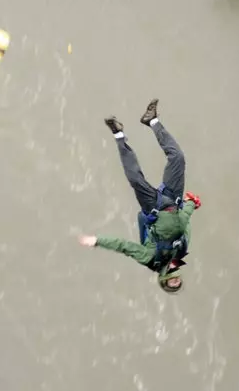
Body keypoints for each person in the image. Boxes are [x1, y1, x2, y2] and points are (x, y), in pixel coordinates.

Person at [78, 99, 202, 294]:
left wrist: (97, 241)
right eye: (178, 280)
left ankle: (118, 134)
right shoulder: (181, 252)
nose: (175, 277)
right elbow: (184, 223)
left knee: (135, 178)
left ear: (163, 278)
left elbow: (125, 246)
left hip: (153, 207)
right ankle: (152, 120)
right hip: (174, 200)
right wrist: (191, 205)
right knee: (178, 158)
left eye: (172, 282)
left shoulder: (151, 259)